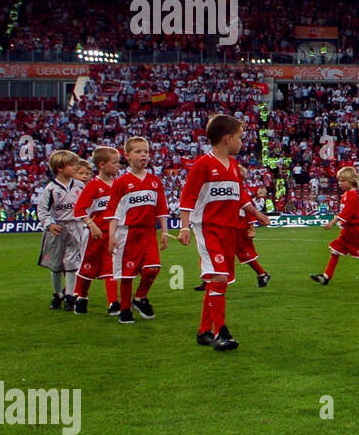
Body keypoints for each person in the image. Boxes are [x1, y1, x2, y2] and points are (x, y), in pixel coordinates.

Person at [178, 115, 273, 351]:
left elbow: (241, 196)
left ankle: (204, 331)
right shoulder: (203, 165)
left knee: (219, 281)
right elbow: (187, 198)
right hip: (208, 228)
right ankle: (221, 332)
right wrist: (184, 226)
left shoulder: (232, 166)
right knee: (219, 277)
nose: (242, 142)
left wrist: (257, 214)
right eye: (240, 137)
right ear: (227, 138)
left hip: (229, 230)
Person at [106, 137, 169, 325]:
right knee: (127, 274)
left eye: (146, 152)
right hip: (128, 233)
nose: (144, 155)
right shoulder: (122, 183)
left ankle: (140, 297)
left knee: (153, 268)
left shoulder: (155, 182)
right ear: (127, 156)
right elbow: (114, 212)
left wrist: (164, 232)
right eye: (138, 152)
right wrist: (111, 236)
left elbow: (161, 209)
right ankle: (125, 310)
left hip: (149, 233)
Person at [71, 145, 122, 315]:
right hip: (95, 234)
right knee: (87, 267)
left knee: (111, 266)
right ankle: (81, 296)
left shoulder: (118, 185)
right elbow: (79, 209)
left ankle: (113, 303)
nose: (118, 166)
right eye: (115, 162)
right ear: (102, 165)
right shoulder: (93, 186)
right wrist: (91, 224)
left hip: (111, 234)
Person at [310, 166, 359, 286]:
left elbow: (347, 212)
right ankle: (326, 276)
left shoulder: (352, 195)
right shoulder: (346, 195)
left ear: (351, 181)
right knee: (335, 250)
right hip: (348, 229)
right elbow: (353, 212)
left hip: (355, 230)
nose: (340, 183)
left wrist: (332, 222)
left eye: (343, 181)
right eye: (339, 180)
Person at [37, 149, 85, 312]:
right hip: (57, 229)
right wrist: (50, 224)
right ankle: (57, 294)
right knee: (56, 264)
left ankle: (70, 296)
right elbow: (42, 210)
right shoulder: (51, 189)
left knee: (72, 262)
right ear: (60, 168)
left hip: (76, 227)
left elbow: (86, 205)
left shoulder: (79, 186)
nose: (75, 168)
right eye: (72, 165)